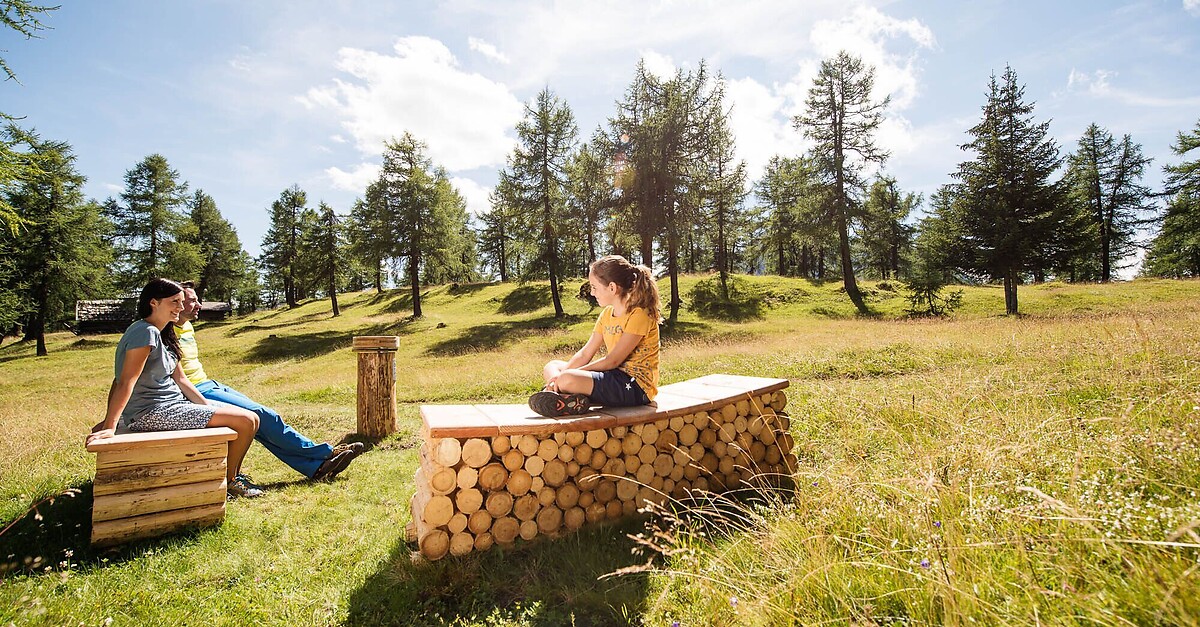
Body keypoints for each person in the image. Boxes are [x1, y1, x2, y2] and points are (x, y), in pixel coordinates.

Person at [87, 278, 265, 498]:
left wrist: (207, 407)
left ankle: (227, 475)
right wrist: (110, 426)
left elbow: (182, 381)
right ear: (154, 302)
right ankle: (229, 482)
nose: (180, 308)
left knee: (252, 418)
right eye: (175, 302)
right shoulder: (145, 332)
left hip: (173, 405)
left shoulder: (164, 333)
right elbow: (124, 381)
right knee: (246, 421)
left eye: (182, 302)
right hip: (151, 413)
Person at [176, 283, 363, 482]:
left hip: (208, 383)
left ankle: (317, 467)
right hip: (195, 391)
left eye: (197, 299)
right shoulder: (166, 330)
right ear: (176, 303)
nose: (199, 305)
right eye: (192, 301)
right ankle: (325, 455)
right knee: (264, 415)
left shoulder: (187, 326)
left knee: (262, 421)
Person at [529, 255, 661, 417]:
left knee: (567, 377)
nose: (592, 292)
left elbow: (612, 361)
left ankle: (562, 394)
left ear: (612, 288)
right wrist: (560, 375)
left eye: (594, 287)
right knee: (552, 366)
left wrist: (566, 376)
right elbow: (585, 353)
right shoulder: (606, 314)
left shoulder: (639, 314)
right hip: (613, 377)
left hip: (635, 387)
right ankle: (569, 397)